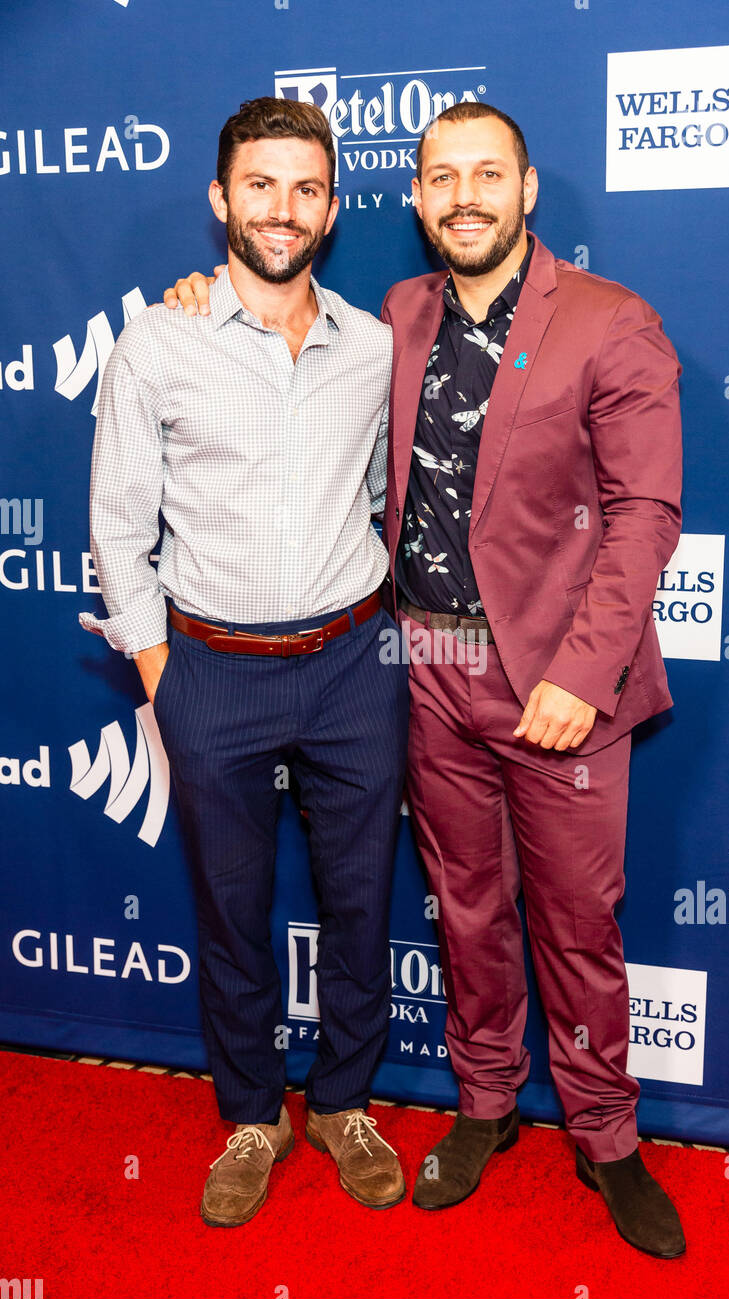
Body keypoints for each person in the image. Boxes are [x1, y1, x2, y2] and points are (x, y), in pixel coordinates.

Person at [165, 102, 686, 1259]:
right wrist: (191, 299)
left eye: (485, 174)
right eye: (440, 176)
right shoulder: (390, 318)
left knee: (575, 923)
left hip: (558, 683)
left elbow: (647, 513)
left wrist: (581, 674)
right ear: (411, 199)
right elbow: (264, 313)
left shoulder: (612, 324)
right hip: (423, 668)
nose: (463, 195)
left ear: (527, 188)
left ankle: (605, 1135)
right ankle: (487, 1107)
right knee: (466, 911)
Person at [80, 97, 409, 1228]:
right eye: (260, 186)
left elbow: (378, 499)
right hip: (208, 671)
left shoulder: (371, 346)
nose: (283, 209)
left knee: (361, 900)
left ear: (330, 205)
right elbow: (117, 527)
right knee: (230, 908)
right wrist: (163, 670)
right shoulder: (157, 340)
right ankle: (249, 1116)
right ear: (221, 199)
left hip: (352, 663)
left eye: (306, 188)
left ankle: (346, 1103)